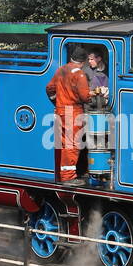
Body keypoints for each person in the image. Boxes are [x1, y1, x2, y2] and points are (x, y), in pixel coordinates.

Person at [45, 44, 91, 184]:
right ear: (83, 62)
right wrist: (94, 95)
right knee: (72, 144)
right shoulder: (79, 74)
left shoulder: (61, 70)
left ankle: (64, 175)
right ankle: (68, 177)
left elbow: (49, 88)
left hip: (60, 110)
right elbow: (85, 97)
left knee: (65, 144)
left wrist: (56, 102)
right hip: (73, 112)